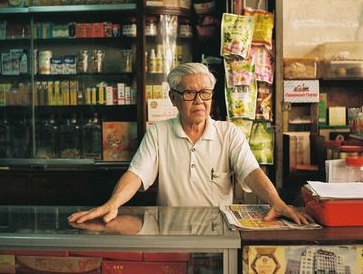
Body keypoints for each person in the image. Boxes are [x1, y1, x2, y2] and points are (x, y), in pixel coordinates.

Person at [68, 62, 311, 225]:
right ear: (173, 98)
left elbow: (251, 171)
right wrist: (113, 203)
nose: (198, 101)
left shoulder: (229, 133)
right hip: (170, 233)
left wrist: (276, 202)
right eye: (189, 93)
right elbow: (137, 174)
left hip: (218, 232)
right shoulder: (158, 133)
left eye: (205, 93)